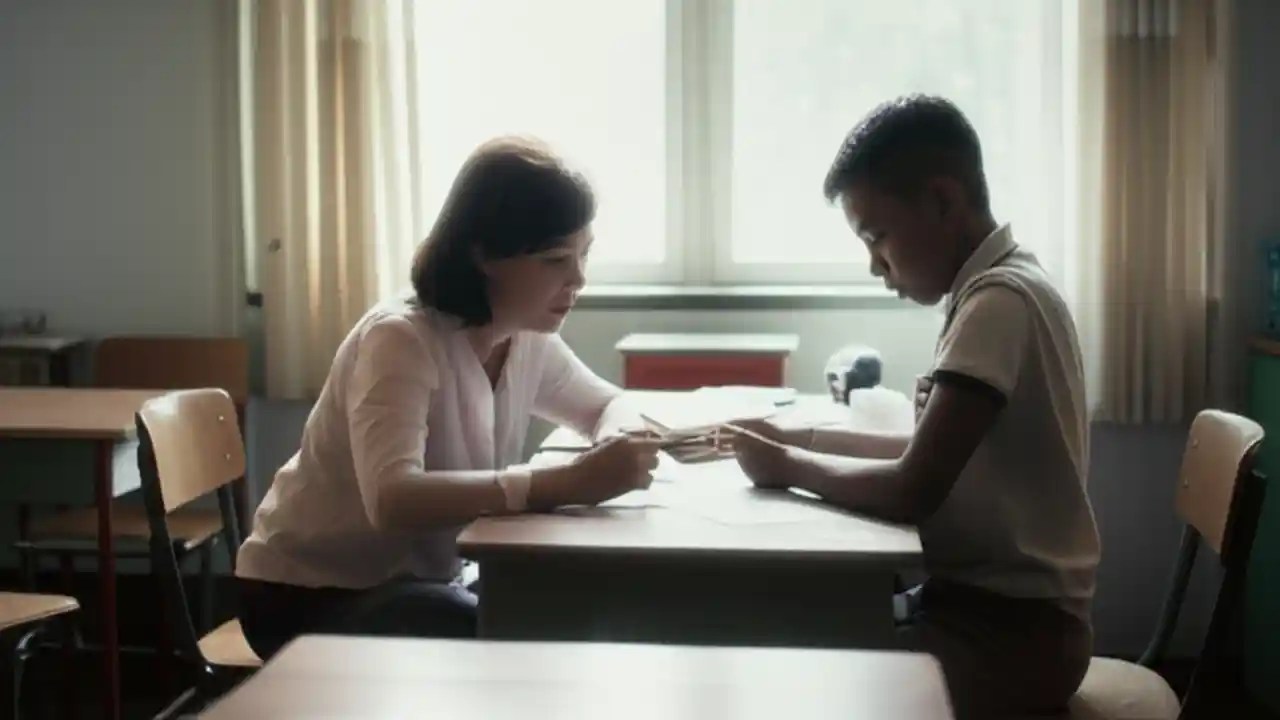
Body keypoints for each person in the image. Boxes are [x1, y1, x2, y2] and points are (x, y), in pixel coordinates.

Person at [731, 95, 1100, 719]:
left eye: (877, 236)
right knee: (798, 628)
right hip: (986, 614)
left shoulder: (998, 303)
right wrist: (801, 438)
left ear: (942, 202)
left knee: (803, 676)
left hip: (1015, 637)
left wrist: (787, 468)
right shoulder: (996, 286)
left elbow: (912, 488)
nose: (875, 265)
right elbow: (921, 446)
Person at [235, 137, 659, 660]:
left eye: (583, 255)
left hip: (419, 583)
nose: (579, 279)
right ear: (483, 254)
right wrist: (566, 483)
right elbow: (391, 498)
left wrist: (618, 445)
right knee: (517, 635)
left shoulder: (523, 334)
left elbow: (607, 404)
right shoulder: (401, 338)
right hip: (311, 593)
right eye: (555, 260)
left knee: (556, 604)